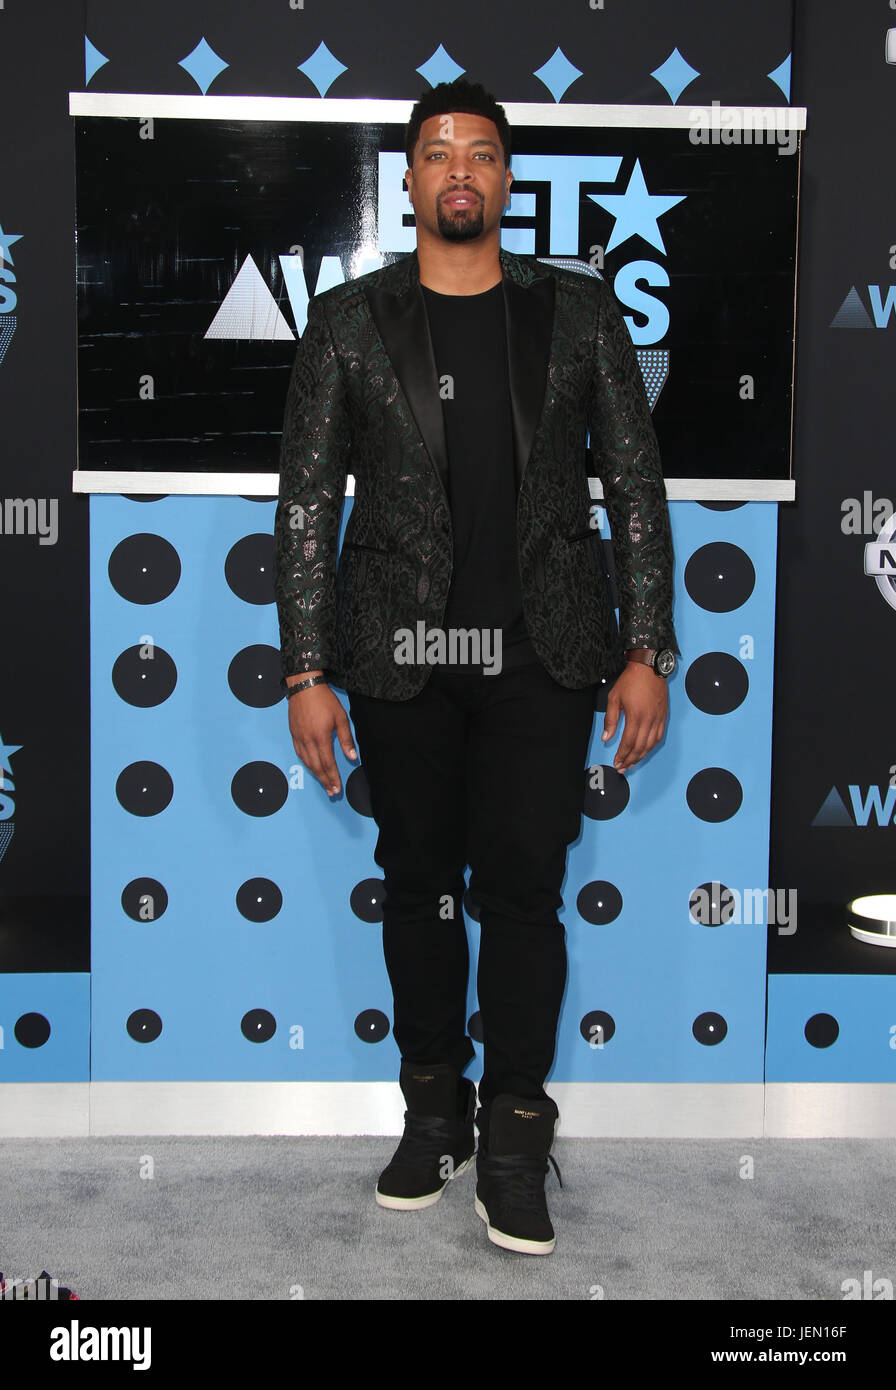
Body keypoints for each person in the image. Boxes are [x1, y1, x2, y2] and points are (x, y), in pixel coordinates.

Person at [274, 79, 679, 1257]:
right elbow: (305, 504)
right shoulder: (348, 322)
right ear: (404, 181)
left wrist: (644, 648)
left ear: (508, 182)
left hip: (541, 658)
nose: (459, 169)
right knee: (416, 890)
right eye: (437, 152)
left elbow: (636, 493)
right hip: (397, 660)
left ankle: (512, 1131)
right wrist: (306, 668)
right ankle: (431, 1110)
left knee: (520, 897)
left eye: (482, 154)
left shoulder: (581, 314)